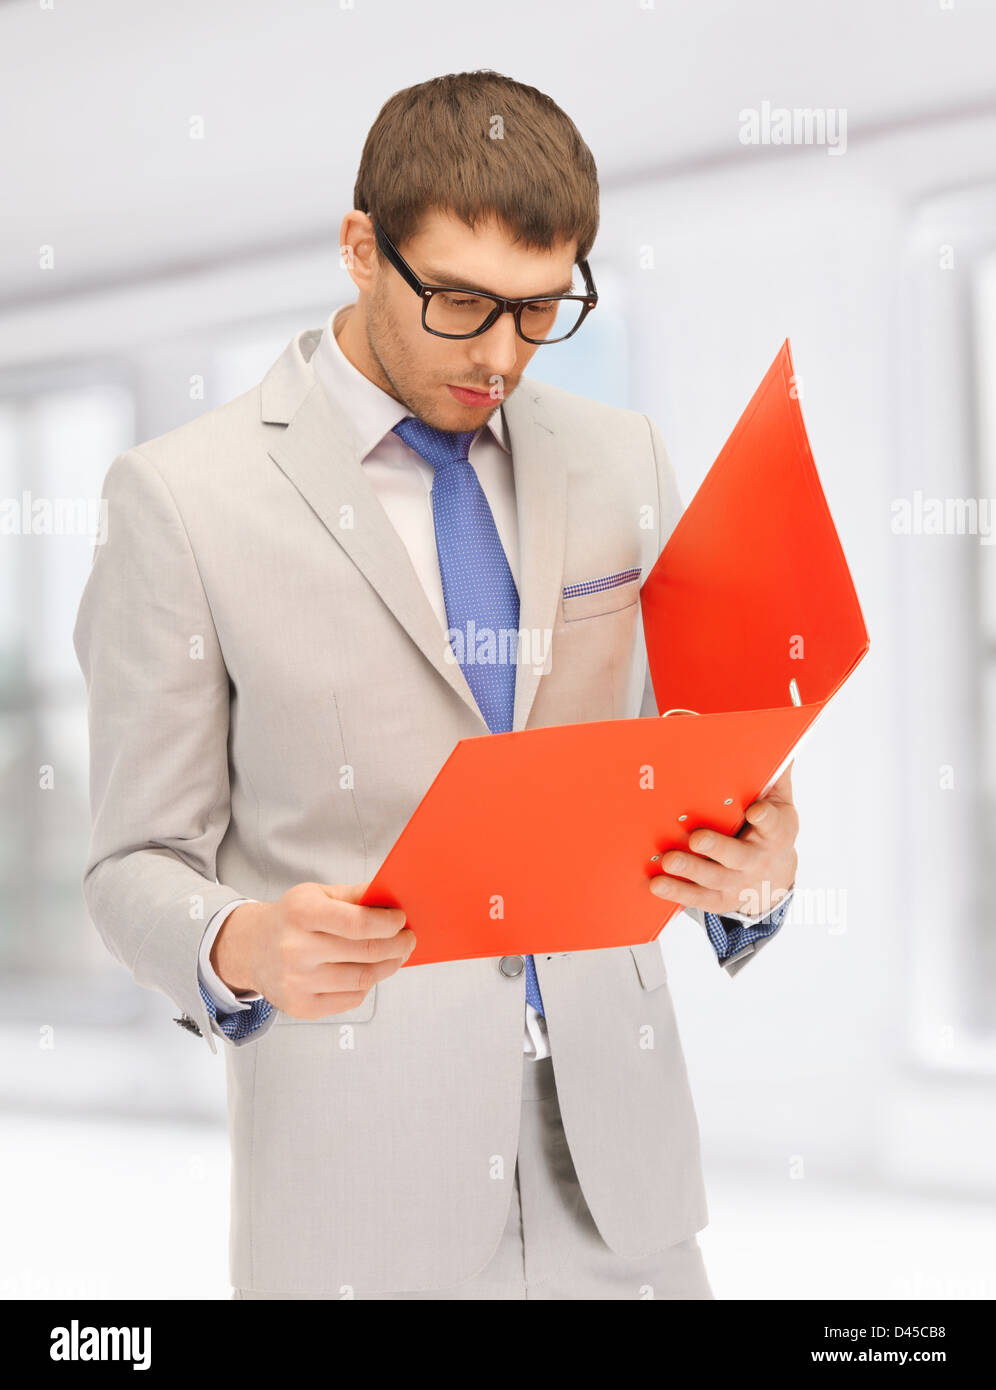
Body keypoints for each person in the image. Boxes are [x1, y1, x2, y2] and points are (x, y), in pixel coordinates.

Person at [73, 70, 799, 1300]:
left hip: (622, 1187)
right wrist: (240, 941)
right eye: (461, 302)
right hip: (356, 1197)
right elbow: (129, 863)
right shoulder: (182, 499)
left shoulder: (622, 457)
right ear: (361, 249)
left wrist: (758, 872)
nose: (503, 354)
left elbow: (691, 754)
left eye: (540, 308)